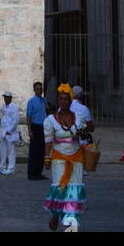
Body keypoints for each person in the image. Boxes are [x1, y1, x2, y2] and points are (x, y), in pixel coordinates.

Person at [43, 83, 87, 230]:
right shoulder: (51, 120)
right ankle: (56, 214)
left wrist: (82, 134)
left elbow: (86, 136)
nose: (63, 102)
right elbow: (48, 141)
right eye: (61, 99)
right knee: (60, 189)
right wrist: (47, 157)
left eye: (66, 99)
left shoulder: (78, 117)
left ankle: (71, 225)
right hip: (59, 159)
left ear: (70, 101)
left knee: (73, 191)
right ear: (58, 101)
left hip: (76, 159)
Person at [26, 81, 48, 180]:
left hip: (43, 128)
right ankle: (31, 173)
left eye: (41, 89)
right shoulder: (31, 101)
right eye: (38, 89)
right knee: (34, 152)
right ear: (34, 90)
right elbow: (28, 116)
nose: (40, 90)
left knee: (41, 151)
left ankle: (39, 172)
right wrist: (30, 130)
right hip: (35, 127)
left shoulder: (44, 101)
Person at [0, 92, 20, 175]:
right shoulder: (4, 106)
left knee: (11, 151)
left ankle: (11, 168)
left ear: (10, 98)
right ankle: (2, 167)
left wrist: (10, 130)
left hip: (9, 132)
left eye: (7, 97)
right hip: (4, 131)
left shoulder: (14, 107)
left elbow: (15, 120)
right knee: (3, 150)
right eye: (4, 97)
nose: (5, 98)